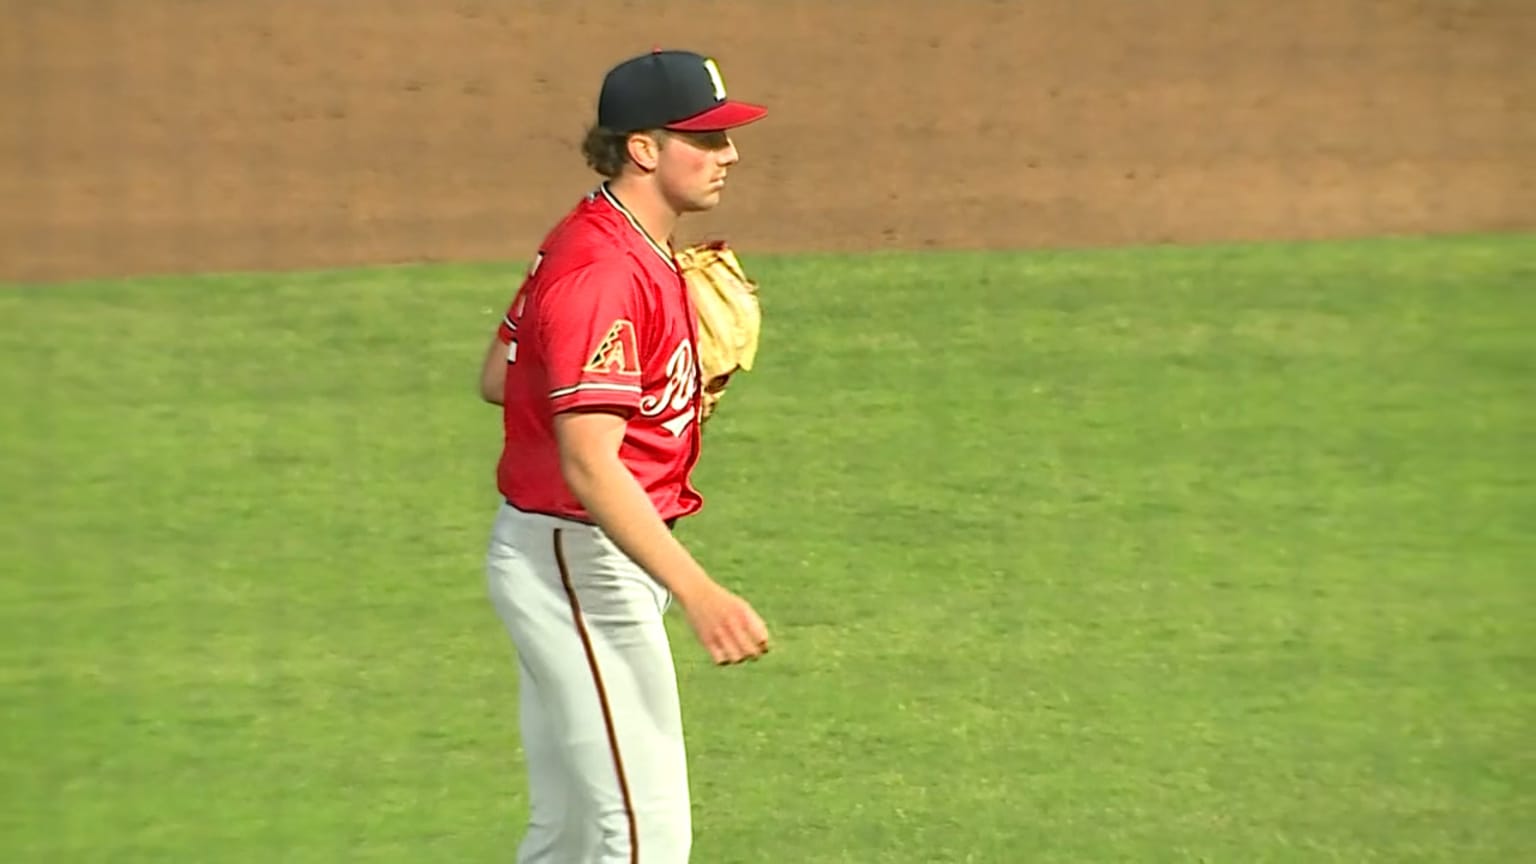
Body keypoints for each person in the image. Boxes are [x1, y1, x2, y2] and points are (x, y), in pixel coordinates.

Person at [476, 49, 773, 863]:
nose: (729, 155)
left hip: (575, 557)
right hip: (578, 562)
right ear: (644, 148)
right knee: (644, 842)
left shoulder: (609, 236)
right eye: (705, 140)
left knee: (571, 834)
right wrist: (700, 591)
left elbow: (501, 376)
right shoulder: (603, 268)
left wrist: (648, 391)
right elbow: (590, 465)